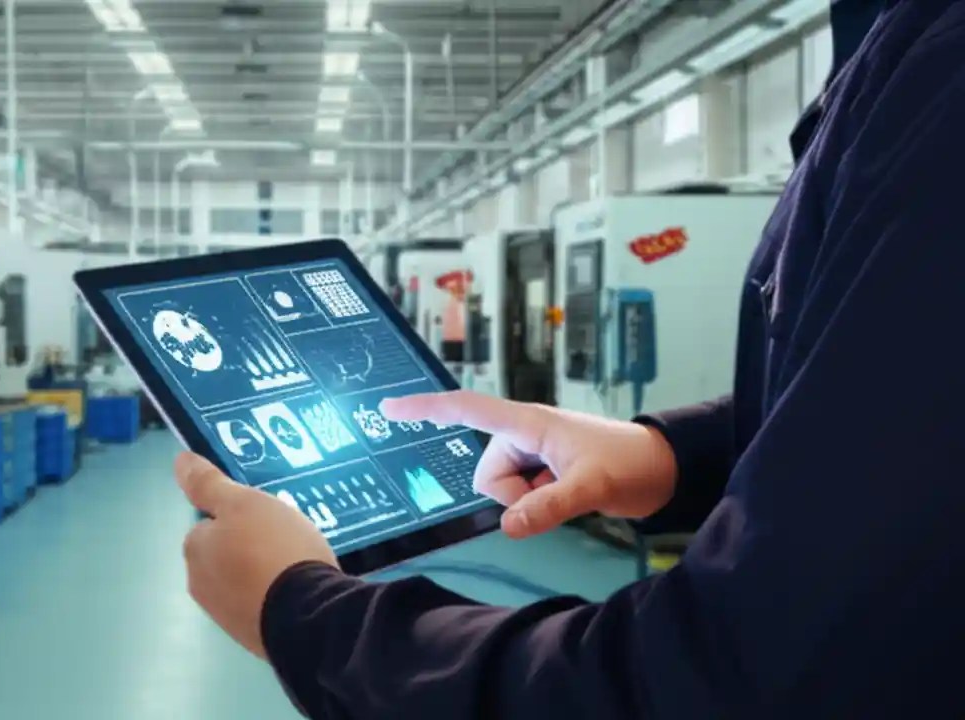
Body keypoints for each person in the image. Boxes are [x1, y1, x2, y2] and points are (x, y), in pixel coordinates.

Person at [174, 0, 965, 716]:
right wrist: (671, 456)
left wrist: (308, 619)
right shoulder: (894, 52)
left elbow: (737, 678)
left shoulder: (942, 72)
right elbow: (889, 419)